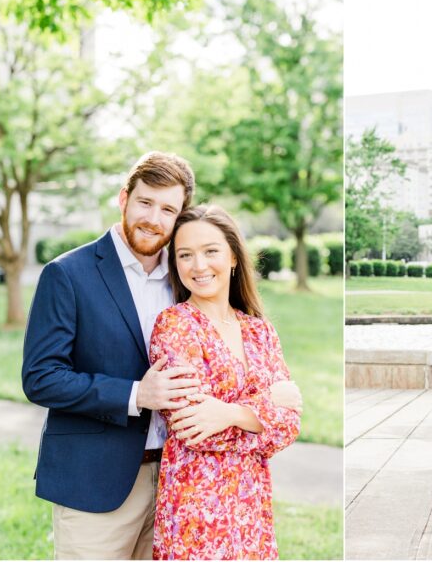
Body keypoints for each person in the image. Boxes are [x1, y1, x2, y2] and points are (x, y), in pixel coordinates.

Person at [22, 152, 300, 559]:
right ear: (124, 199)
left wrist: (249, 410)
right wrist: (136, 394)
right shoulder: (68, 274)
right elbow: (41, 377)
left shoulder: (186, 277)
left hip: (178, 481)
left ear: (179, 216)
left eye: (168, 209)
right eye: (145, 203)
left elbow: (277, 412)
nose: (153, 218)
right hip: (98, 478)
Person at [149, 205, 301, 560]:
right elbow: (191, 425)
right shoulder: (175, 325)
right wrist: (262, 411)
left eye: (210, 251)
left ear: (233, 256)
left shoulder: (260, 330)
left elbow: (289, 426)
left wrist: (228, 412)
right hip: (196, 508)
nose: (199, 266)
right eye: (185, 255)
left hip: (251, 506)